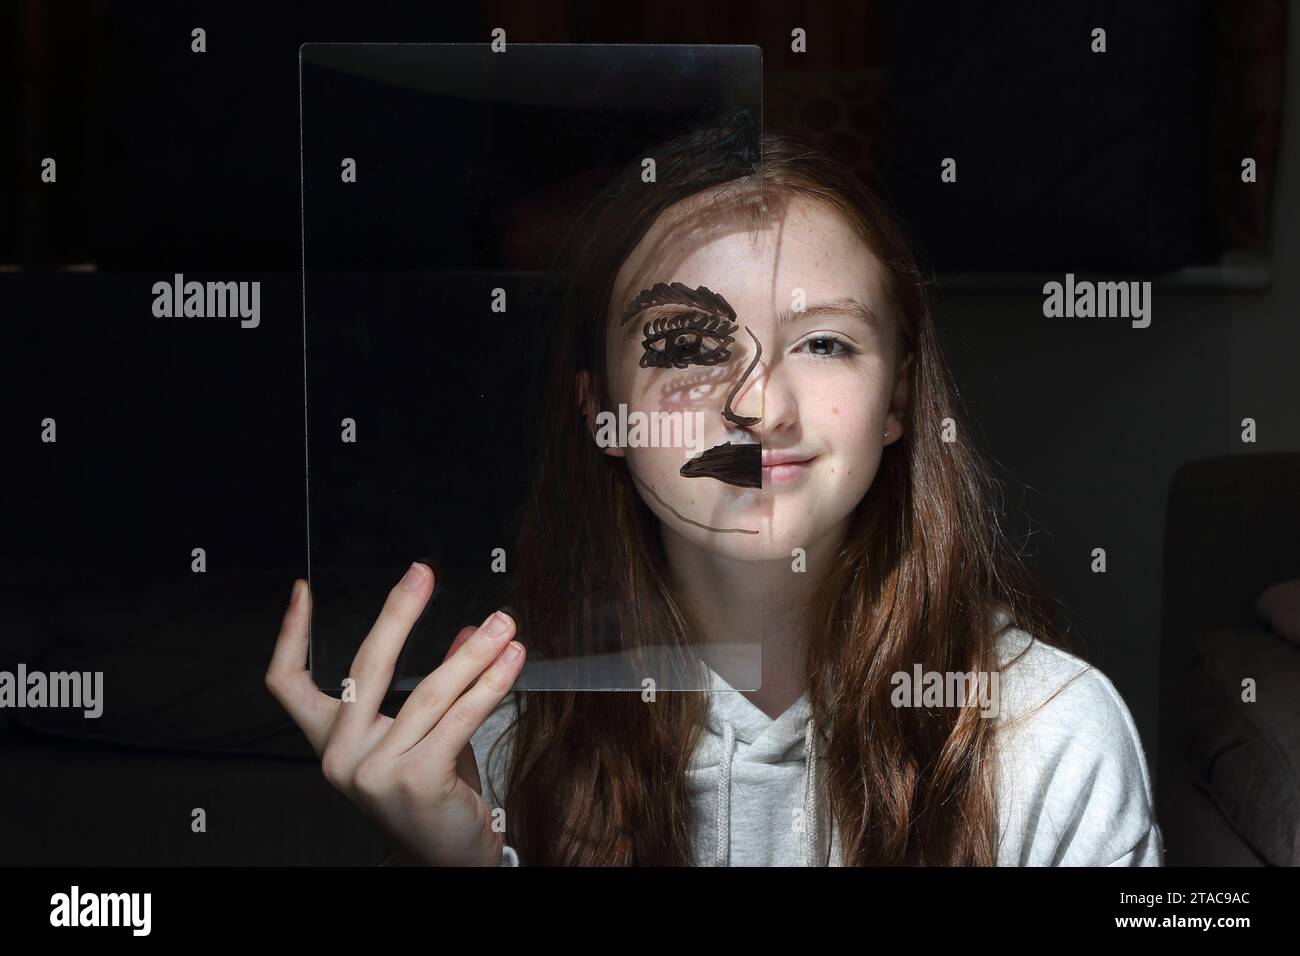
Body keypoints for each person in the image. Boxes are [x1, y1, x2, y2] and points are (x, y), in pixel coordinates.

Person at [266, 120, 1163, 866]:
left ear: (896, 399)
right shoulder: (490, 754)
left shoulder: (1048, 738)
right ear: (601, 411)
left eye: (823, 344)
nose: (758, 405)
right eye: (687, 347)